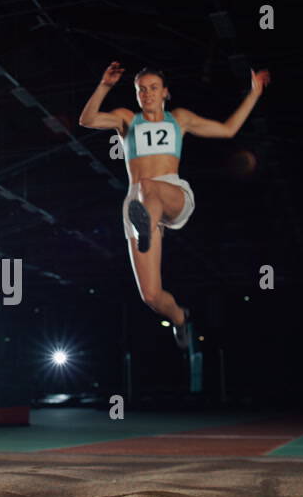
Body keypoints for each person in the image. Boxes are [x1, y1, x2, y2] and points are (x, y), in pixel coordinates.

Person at [79, 62, 270, 349]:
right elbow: (87, 119)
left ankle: (147, 224)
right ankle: (181, 318)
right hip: (137, 202)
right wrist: (105, 86)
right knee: (151, 296)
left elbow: (228, 130)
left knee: (148, 186)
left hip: (172, 194)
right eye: (141, 90)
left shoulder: (179, 119)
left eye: (153, 88)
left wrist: (254, 93)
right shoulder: (126, 119)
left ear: (165, 92)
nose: (147, 94)